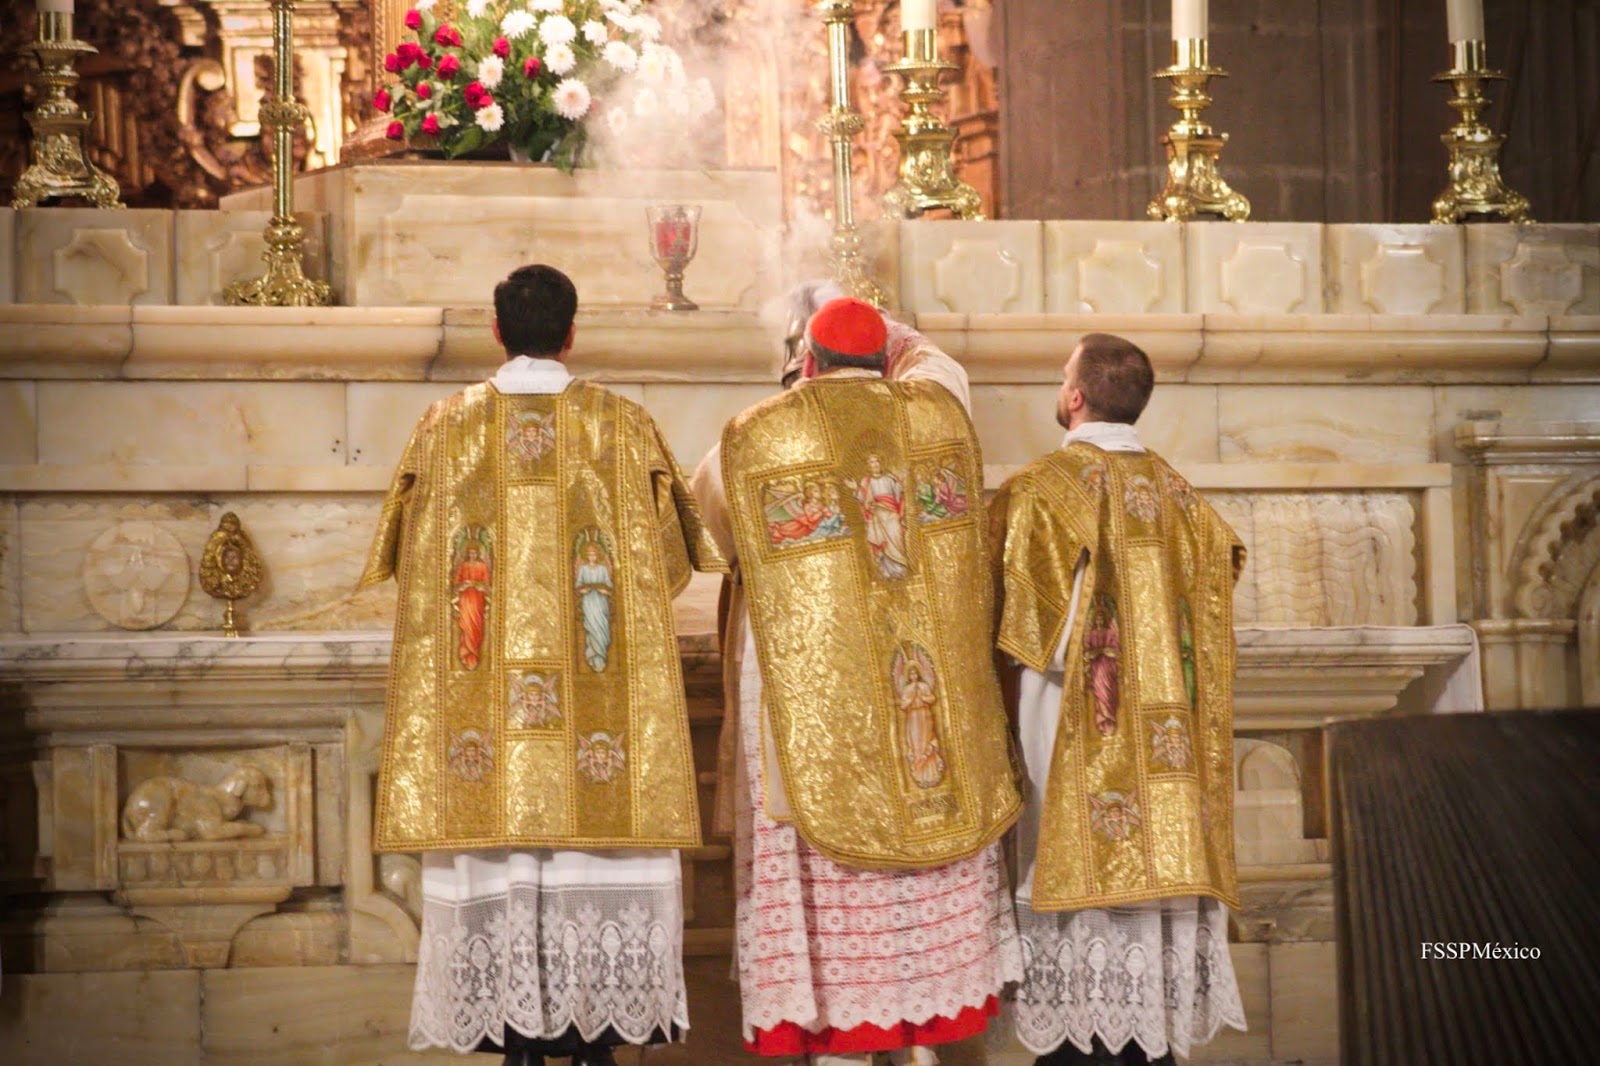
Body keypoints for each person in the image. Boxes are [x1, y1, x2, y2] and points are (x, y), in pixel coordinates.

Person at [358, 264, 727, 1066]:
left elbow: (412, 565)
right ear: (571, 333)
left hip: (485, 726)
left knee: (500, 880)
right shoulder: (623, 427)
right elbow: (668, 566)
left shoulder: (443, 429)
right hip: (598, 718)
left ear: (496, 332)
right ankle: (595, 1046)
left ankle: (518, 1047)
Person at [694, 295, 1022, 1066]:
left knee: (823, 869)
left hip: (813, 704)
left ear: (806, 364)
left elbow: (717, 515)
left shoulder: (760, 434)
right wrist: (900, 338)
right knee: (915, 856)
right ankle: (920, 1033)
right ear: (888, 359)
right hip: (914, 695)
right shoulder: (936, 419)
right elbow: (943, 371)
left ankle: (839, 1035)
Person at [989, 333, 1248, 1065]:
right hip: (1170, 746)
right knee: (1151, 903)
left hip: (1075, 721)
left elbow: (1027, 633)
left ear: (1075, 397)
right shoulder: (1183, 497)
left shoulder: (1042, 488)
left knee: (1077, 885)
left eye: (1061, 377)